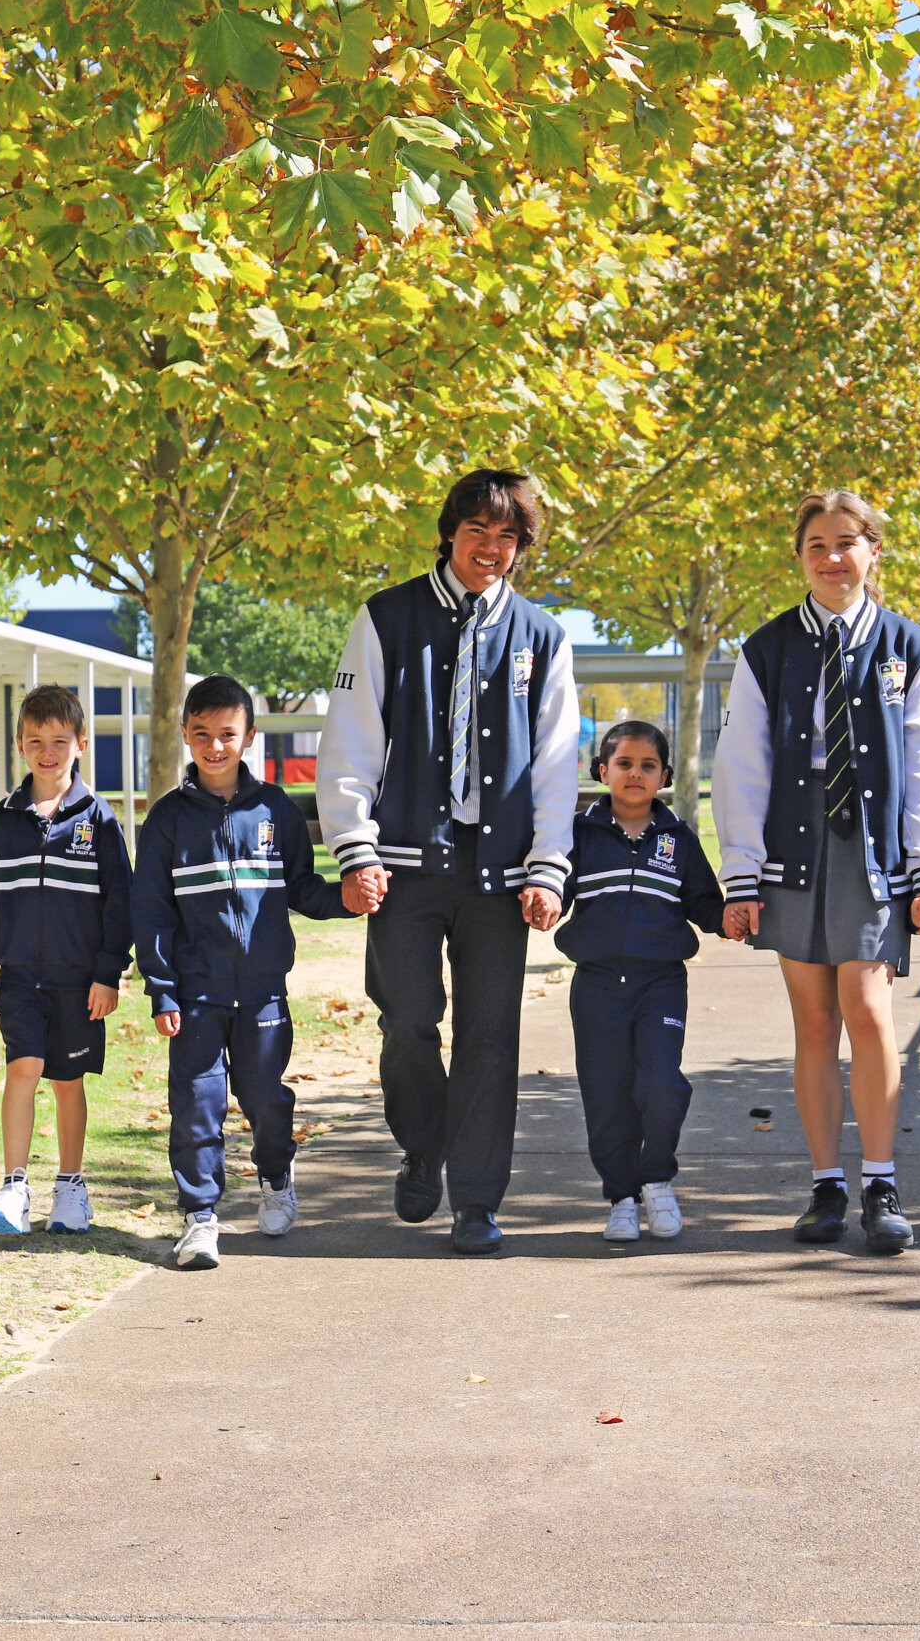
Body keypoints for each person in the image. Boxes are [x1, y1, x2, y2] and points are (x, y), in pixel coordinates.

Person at [317, 468, 580, 1256]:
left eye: (507, 537)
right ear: (449, 532)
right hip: (402, 861)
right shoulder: (386, 617)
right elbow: (351, 743)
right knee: (407, 1022)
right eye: (478, 532)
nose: (491, 549)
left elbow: (558, 762)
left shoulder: (543, 635)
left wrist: (548, 865)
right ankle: (422, 1141)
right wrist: (353, 847)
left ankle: (475, 1198)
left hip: (500, 870)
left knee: (490, 1035)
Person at [716, 490, 920, 1254]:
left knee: (869, 1007)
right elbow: (742, 764)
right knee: (814, 1017)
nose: (831, 557)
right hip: (792, 840)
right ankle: (827, 1185)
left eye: (846, 542)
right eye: (816, 544)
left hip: (871, 844)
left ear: (872, 550)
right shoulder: (767, 648)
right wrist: (742, 872)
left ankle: (882, 1182)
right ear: (800, 556)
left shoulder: (908, 646)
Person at [135, 676, 357, 1271]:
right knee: (197, 1102)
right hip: (195, 993)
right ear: (184, 734)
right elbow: (151, 911)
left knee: (263, 1096)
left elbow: (304, 888)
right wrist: (161, 988)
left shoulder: (276, 809)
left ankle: (277, 1175)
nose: (214, 746)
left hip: (262, 991)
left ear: (249, 737)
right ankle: (200, 1216)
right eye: (201, 734)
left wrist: (348, 899)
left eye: (227, 734)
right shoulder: (167, 821)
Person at [0, 684, 133, 1236]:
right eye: (36, 740)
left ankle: (70, 1188)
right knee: (23, 1069)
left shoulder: (99, 820)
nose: (48, 751)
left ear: (81, 743)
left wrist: (108, 973)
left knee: (67, 1081)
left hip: (79, 983)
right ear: (20, 744)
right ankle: (14, 1188)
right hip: (17, 979)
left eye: (60, 740)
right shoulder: (4, 821)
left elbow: (120, 905)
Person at [556, 719, 724, 1241]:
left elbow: (706, 906)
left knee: (659, 1082)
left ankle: (656, 1179)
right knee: (605, 1094)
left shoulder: (679, 839)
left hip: (660, 983)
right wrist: (540, 902)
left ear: (665, 775)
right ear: (602, 771)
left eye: (648, 765)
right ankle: (622, 1197)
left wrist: (736, 916)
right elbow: (552, 891)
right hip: (597, 983)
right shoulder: (578, 837)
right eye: (624, 763)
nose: (635, 773)